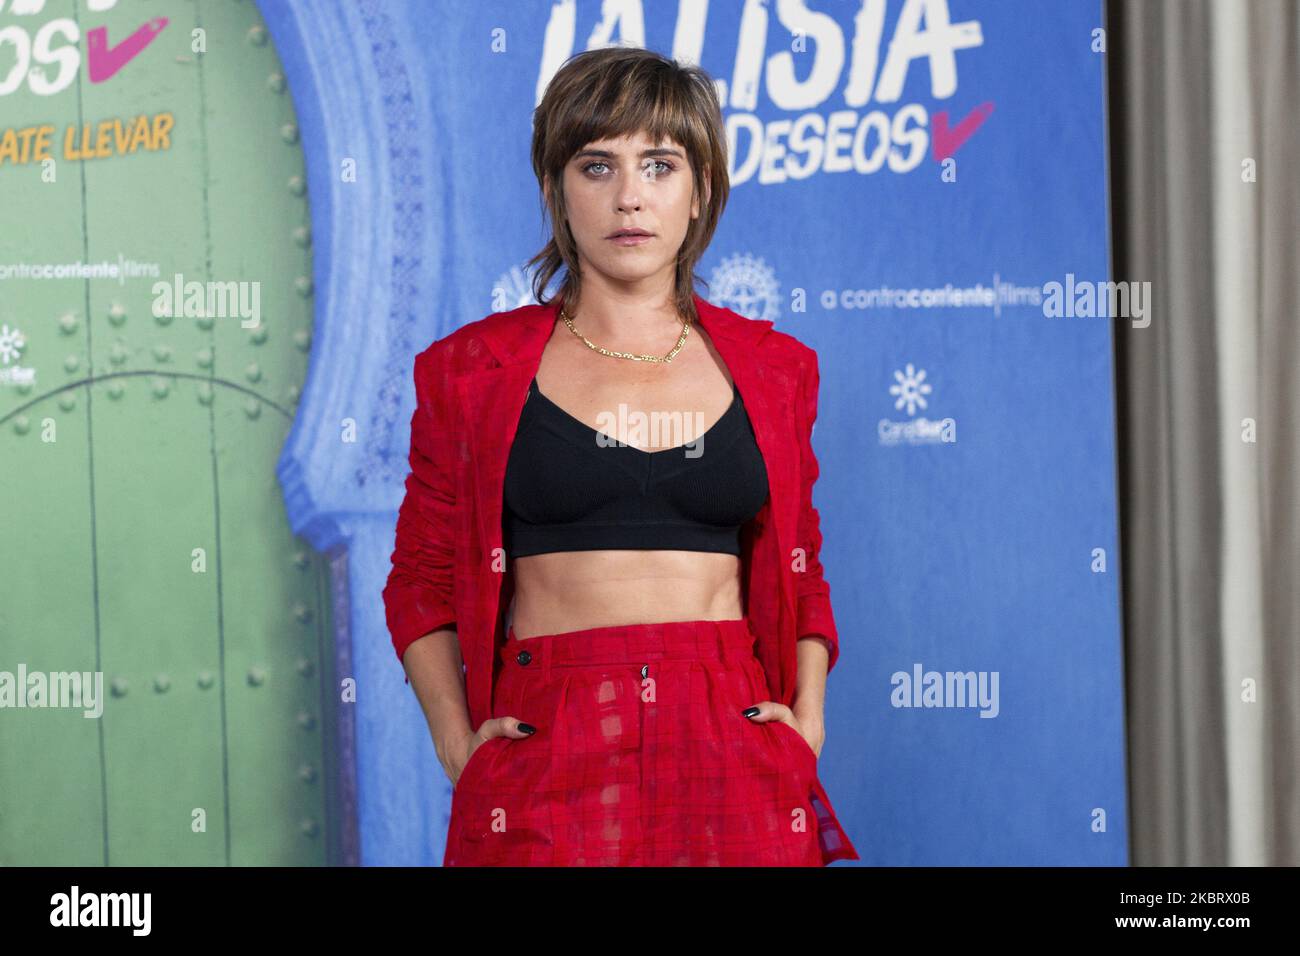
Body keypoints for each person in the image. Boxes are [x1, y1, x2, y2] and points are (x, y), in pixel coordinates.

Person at [384, 46, 858, 866]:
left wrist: (807, 719)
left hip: (732, 737)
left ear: (700, 188)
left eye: (660, 165)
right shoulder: (469, 372)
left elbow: (800, 566)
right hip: (548, 738)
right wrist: (459, 745)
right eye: (597, 166)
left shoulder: (778, 371)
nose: (630, 197)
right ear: (555, 192)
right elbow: (420, 582)